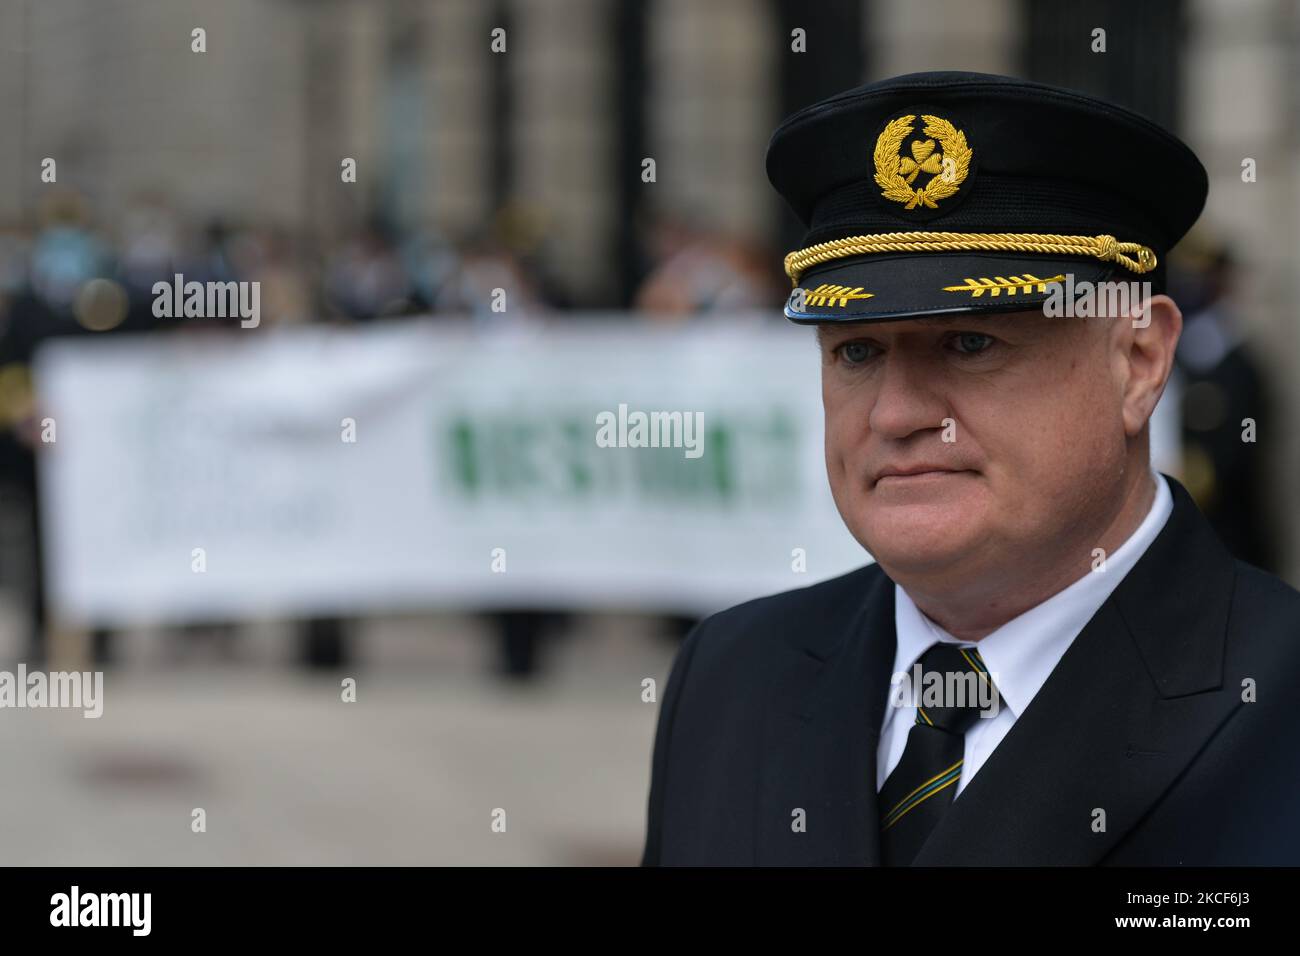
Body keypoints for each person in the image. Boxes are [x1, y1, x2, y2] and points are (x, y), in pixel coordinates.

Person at [640, 71, 1300, 866]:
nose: (895, 414)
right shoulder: (733, 676)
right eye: (856, 351)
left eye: (971, 343)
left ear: (1138, 361)